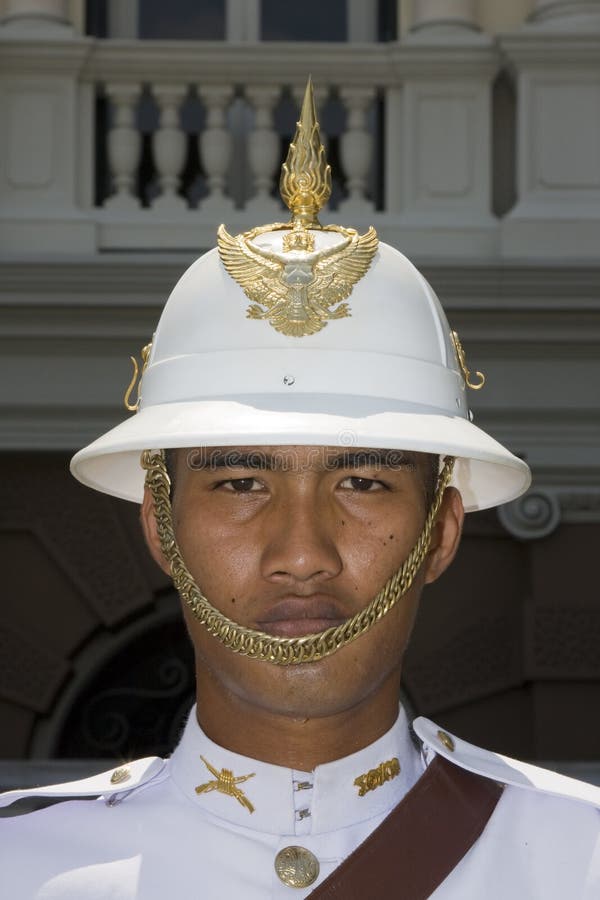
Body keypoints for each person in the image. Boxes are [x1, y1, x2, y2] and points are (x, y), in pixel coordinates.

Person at [1, 80, 599, 899]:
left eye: (362, 480)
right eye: (242, 481)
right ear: (159, 523)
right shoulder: (23, 869)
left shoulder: (580, 857)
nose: (301, 555)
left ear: (443, 531)